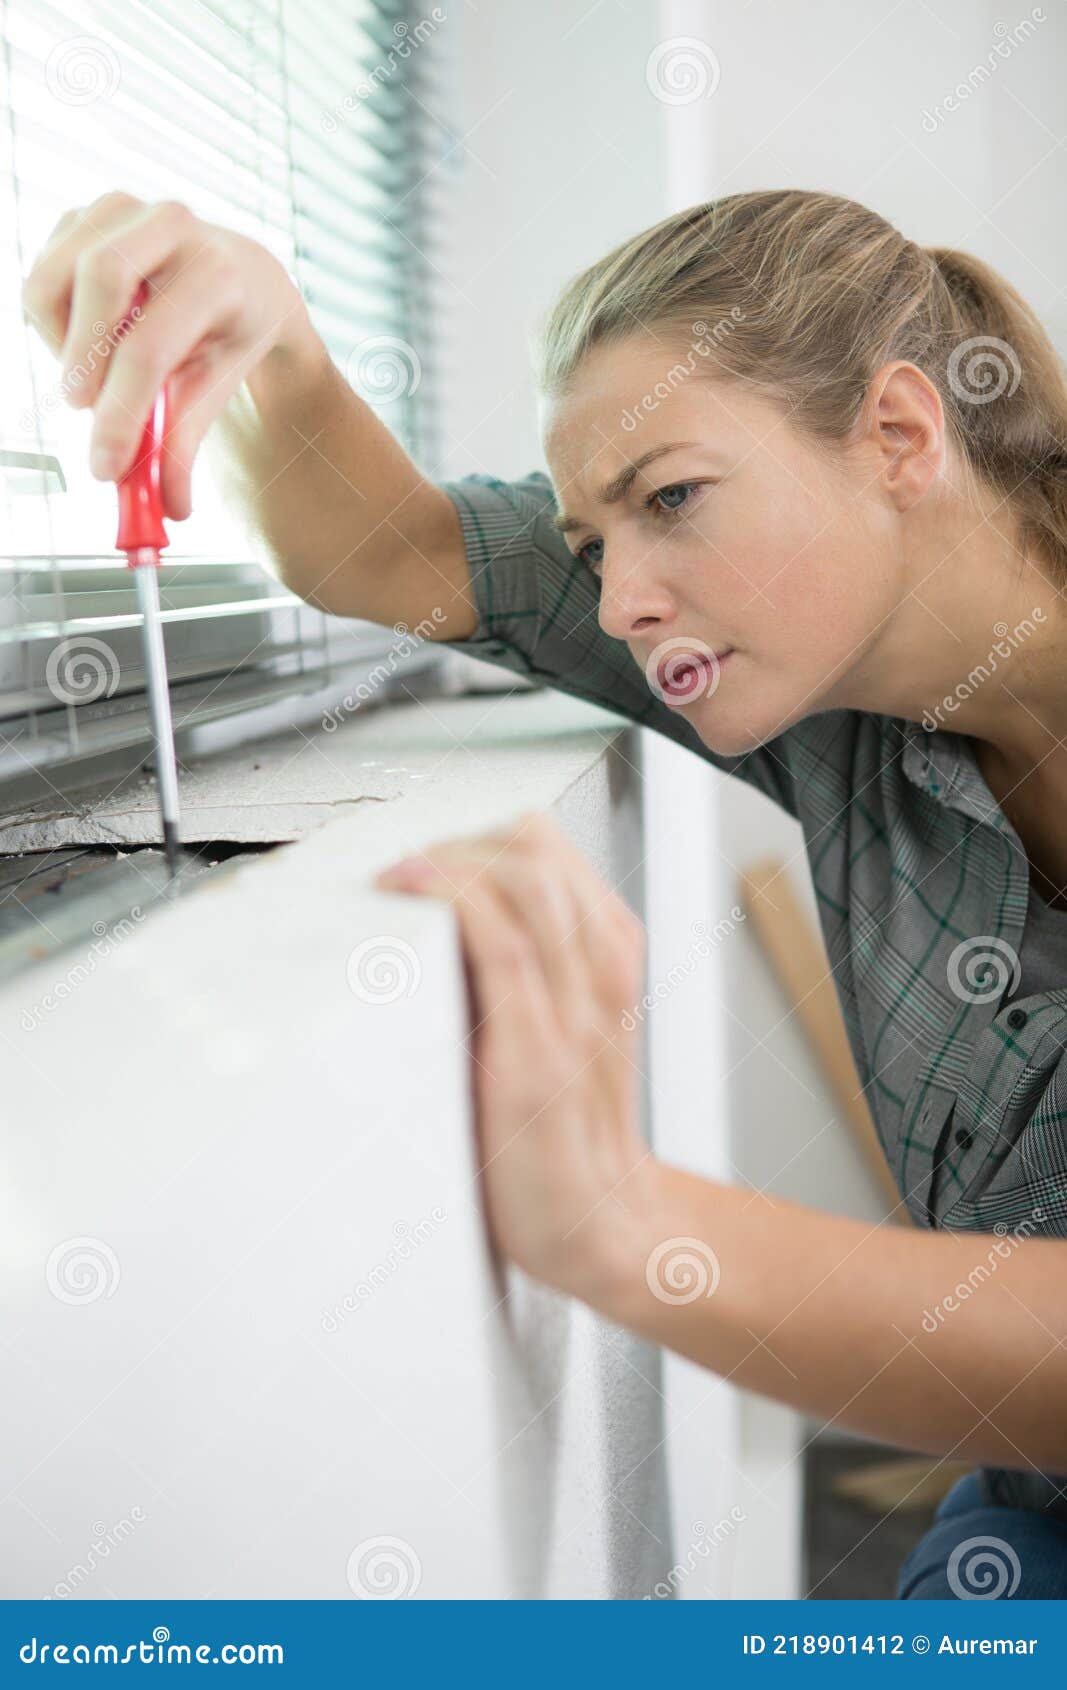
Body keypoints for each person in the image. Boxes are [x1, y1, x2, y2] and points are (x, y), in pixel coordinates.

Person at [23, 185, 1067, 1599]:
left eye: (672, 501)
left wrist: (630, 1229)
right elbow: (388, 554)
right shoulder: (829, 675)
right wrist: (271, 340)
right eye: (591, 546)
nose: (626, 598)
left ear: (897, 434)